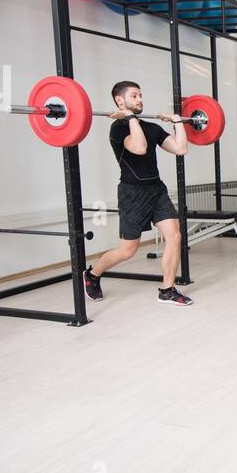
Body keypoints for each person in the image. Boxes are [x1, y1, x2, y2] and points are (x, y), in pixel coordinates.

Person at [83, 81, 192, 306]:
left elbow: (180, 149)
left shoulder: (151, 128)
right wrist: (130, 118)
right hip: (132, 193)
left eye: (141, 95)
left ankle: (167, 290)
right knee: (128, 250)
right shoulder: (118, 129)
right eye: (134, 96)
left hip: (156, 189)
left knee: (174, 236)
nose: (140, 99)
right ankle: (92, 274)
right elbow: (139, 148)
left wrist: (178, 121)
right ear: (119, 100)